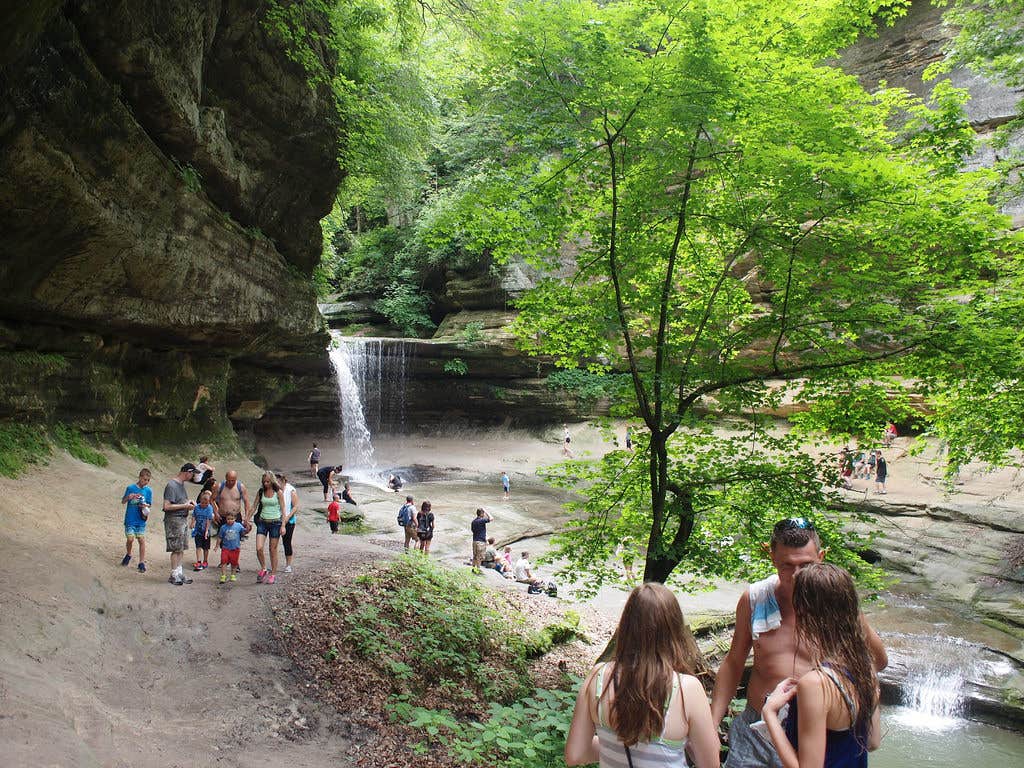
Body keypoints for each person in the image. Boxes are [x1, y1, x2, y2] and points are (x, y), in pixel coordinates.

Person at [710, 518, 887, 768]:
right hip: (755, 728)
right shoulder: (756, 598)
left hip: (811, 730)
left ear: (821, 557)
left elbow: (877, 662)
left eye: (805, 565)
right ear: (772, 558)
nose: (796, 575)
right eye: (786, 566)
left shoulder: (835, 604)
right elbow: (734, 661)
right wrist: (712, 723)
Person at [565, 583, 720, 768]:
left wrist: (614, 742)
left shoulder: (598, 677)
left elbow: (575, 754)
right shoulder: (687, 689)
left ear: (626, 626)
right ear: (674, 630)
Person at [761, 563, 882, 768]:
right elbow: (872, 742)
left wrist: (770, 713)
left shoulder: (816, 684)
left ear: (805, 613)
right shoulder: (865, 668)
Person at [163, 463, 197, 586]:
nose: (193, 476)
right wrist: (185, 505)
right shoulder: (172, 485)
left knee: (181, 548)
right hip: (174, 520)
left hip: (182, 519)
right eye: (192, 473)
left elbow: (179, 501)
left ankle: (179, 572)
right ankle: (173, 574)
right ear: (187, 472)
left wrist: (188, 502)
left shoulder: (181, 485)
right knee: (176, 548)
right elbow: (166, 506)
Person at [253, 471, 286, 584]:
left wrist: (283, 525)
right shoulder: (261, 491)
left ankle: (273, 573)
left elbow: (283, 510)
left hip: (275, 522)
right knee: (259, 548)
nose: (266, 483)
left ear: (272, 481)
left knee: (273, 550)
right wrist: (246, 518)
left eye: (268, 481)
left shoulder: (278, 492)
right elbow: (254, 506)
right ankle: (264, 568)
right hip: (262, 521)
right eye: (264, 482)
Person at [120, 467, 152, 572]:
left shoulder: (148, 490)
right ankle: (129, 554)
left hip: (141, 519)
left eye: (148, 480)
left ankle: (141, 562)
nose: (146, 482)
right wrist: (129, 497)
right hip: (130, 518)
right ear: (140, 477)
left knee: (141, 539)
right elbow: (123, 501)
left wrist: (145, 505)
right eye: (144, 479)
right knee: (130, 538)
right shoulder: (131, 488)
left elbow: (149, 504)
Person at [213, 470, 251, 534]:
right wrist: (216, 513)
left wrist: (246, 517)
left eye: (233, 480)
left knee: (236, 537)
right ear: (226, 478)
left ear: (236, 479)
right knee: (222, 537)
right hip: (222, 517)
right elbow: (211, 500)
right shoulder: (220, 486)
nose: (230, 482)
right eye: (228, 480)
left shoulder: (241, 487)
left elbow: (246, 502)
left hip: (236, 516)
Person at [277, 472, 300, 573]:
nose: (276, 484)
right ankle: (274, 564)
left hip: (289, 521)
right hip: (276, 518)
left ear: (283, 481)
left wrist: (287, 517)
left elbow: (295, 506)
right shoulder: (274, 490)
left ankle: (288, 565)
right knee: (273, 542)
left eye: (278, 482)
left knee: (287, 542)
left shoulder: (291, 490)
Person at [217, 511, 245, 584]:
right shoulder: (223, 527)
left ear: (235, 518)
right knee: (223, 561)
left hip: (235, 548)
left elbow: (244, 532)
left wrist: (248, 528)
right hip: (225, 548)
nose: (230, 520)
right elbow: (220, 537)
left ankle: (233, 574)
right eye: (228, 519)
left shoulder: (238, 525)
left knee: (234, 563)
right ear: (226, 519)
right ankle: (223, 575)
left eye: (232, 519)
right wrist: (217, 545)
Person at [190, 489, 215, 571]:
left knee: (206, 547)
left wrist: (207, 531)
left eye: (206, 503)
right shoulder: (197, 507)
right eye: (203, 503)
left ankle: (205, 561)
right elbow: (194, 515)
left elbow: (208, 520)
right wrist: (192, 523)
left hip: (206, 531)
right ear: (200, 500)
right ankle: (199, 561)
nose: (204, 505)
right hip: (198, 530)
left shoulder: (209, 508)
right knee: (198, 546)